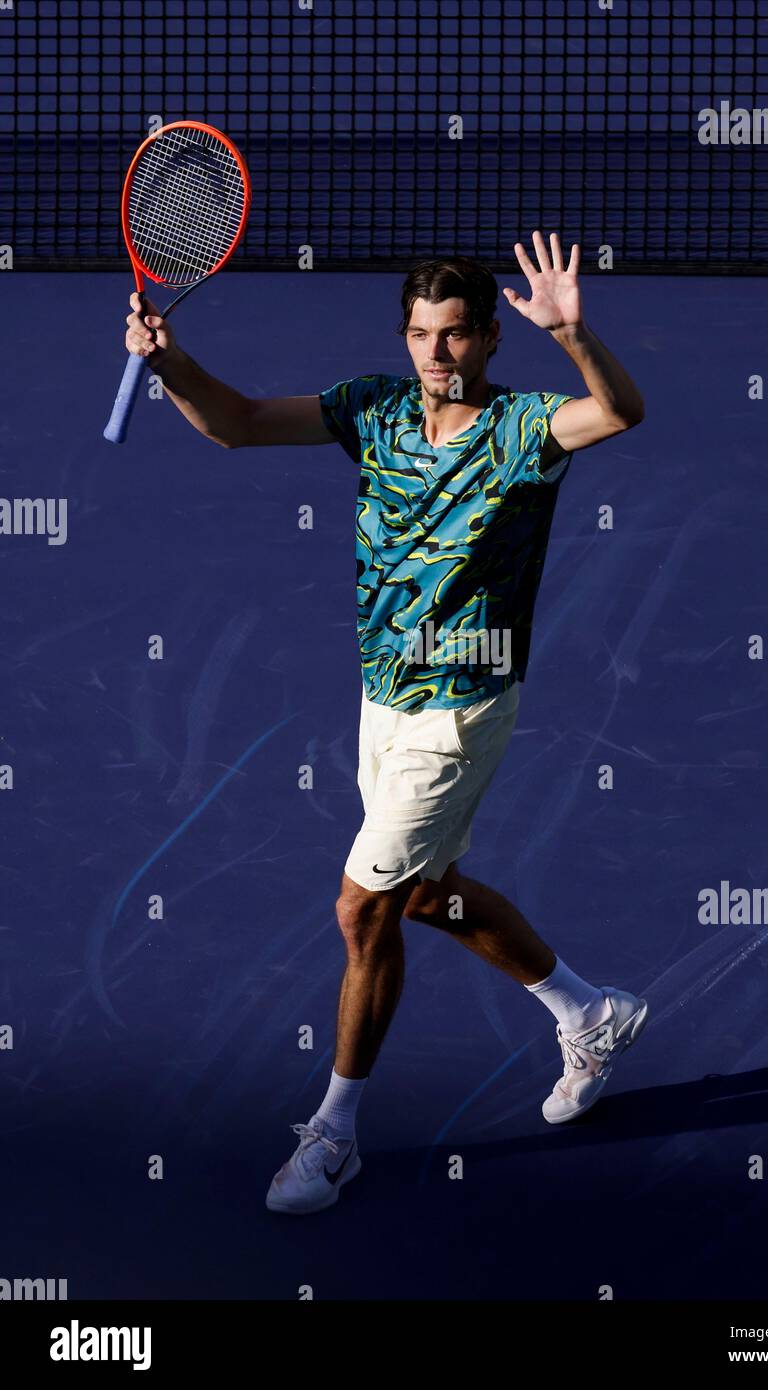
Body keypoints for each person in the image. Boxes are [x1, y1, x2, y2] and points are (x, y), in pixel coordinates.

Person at [123, 230, 648, 1216]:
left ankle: (334, 1132)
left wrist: (577, 336)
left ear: (491, 340)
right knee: (420, 898)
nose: (435, 354)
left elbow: (619, 411)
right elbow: (235, 422)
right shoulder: (372, 408)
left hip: (460, 712)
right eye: (419, 334)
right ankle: (588, 1010)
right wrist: (168, 362)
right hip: (383, 696)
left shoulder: (523, 429)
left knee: (360, 907)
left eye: (454, 336)